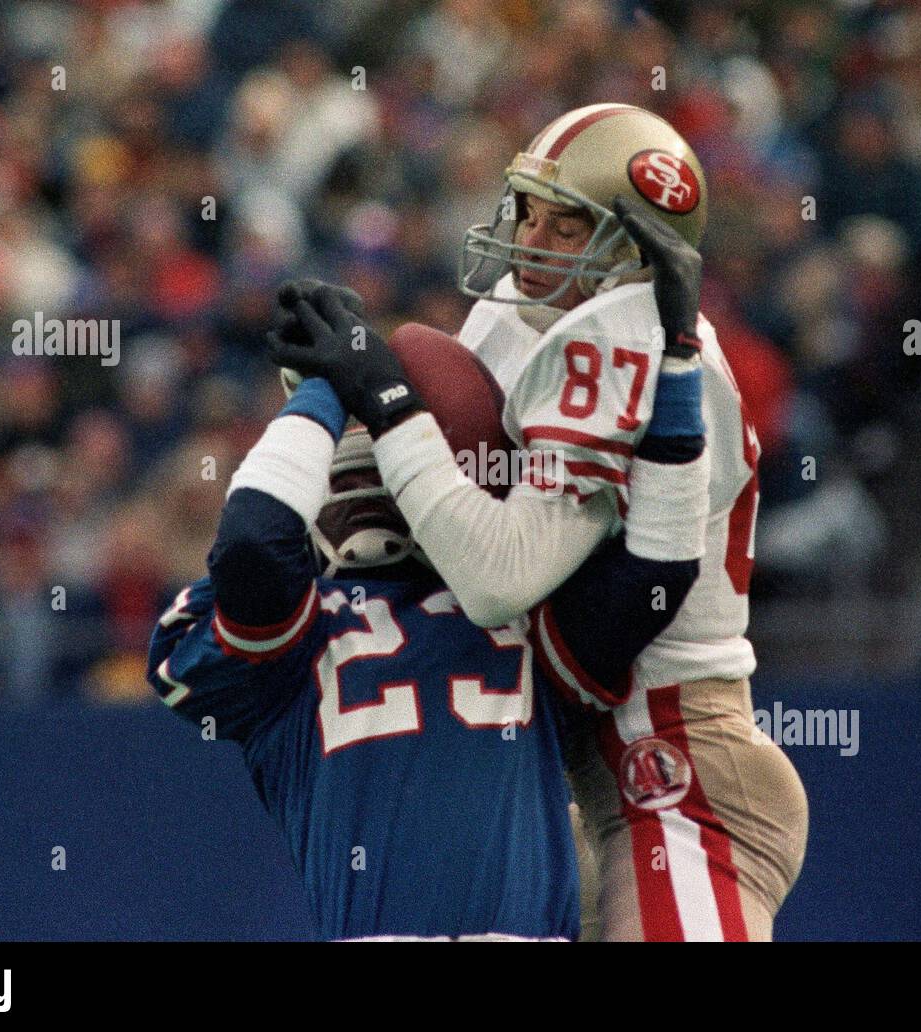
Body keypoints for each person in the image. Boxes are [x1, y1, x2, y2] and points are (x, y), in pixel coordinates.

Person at [277, 104, 808, 940]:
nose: (533, 238)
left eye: (568, 227)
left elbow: (496, 579)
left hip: (670, 765)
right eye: (530, 208)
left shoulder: (629, 336)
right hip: (572, 767)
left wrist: (387, 400)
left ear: (637, 256)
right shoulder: (526, 309)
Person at [147, 284, 711, 940]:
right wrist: (338, 384)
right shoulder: (316, 628)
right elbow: (253, 546)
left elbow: (660, 575)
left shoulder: (509, 596)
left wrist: (333, 386)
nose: (369, 497)